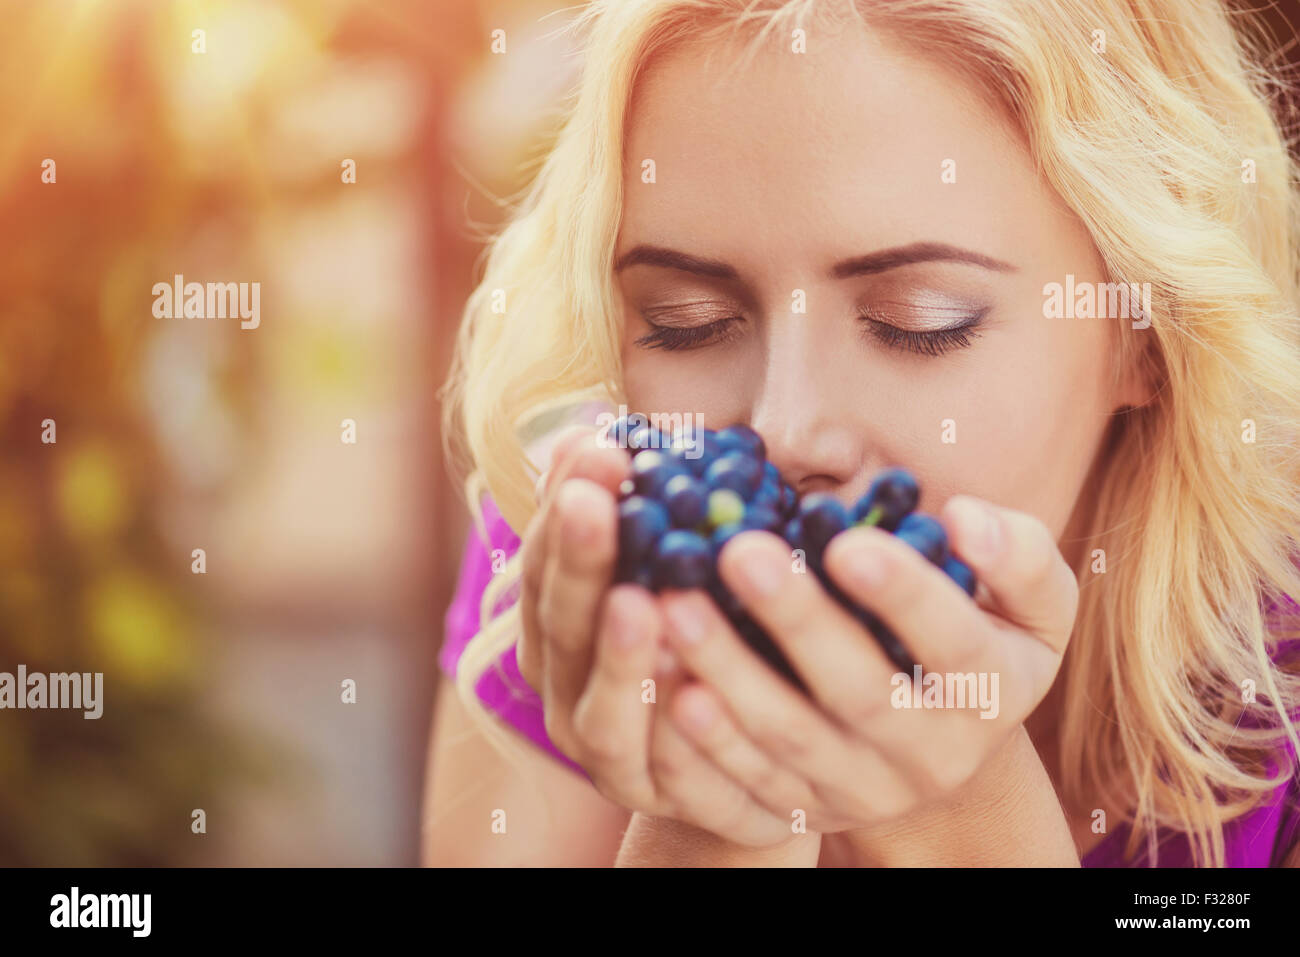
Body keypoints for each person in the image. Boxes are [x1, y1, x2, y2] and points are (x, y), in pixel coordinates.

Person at [423, 0, 1300, 867]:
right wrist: (720, 820)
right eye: (683, 320)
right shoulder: (586, 545)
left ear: (1147, 335)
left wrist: (964, 811)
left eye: (920, 321)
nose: (781, 430)